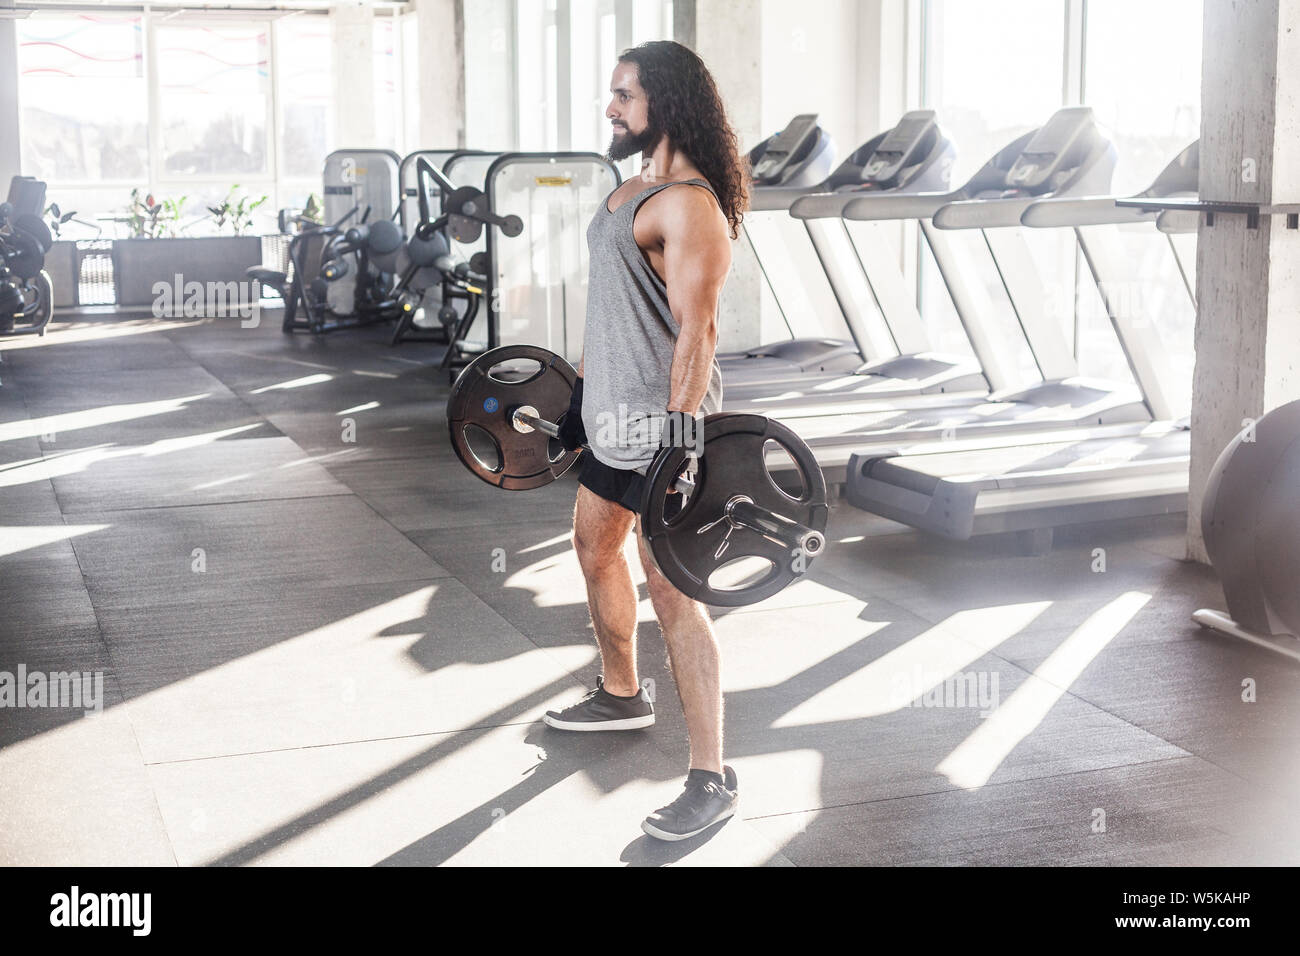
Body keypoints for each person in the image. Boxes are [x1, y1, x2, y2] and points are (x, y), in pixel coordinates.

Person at [541, 39, 750, 842]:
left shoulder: (689, 206)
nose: (611, 108)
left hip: (668, 433)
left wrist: (677, 441)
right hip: (614, 425)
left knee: (676, 596)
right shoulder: (628, 193)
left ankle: (711, 776)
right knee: (594, 546)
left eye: (624, 95)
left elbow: (697, 332)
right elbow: (612, 316)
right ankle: (622, 692)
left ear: (664, 100)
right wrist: (578, 397)